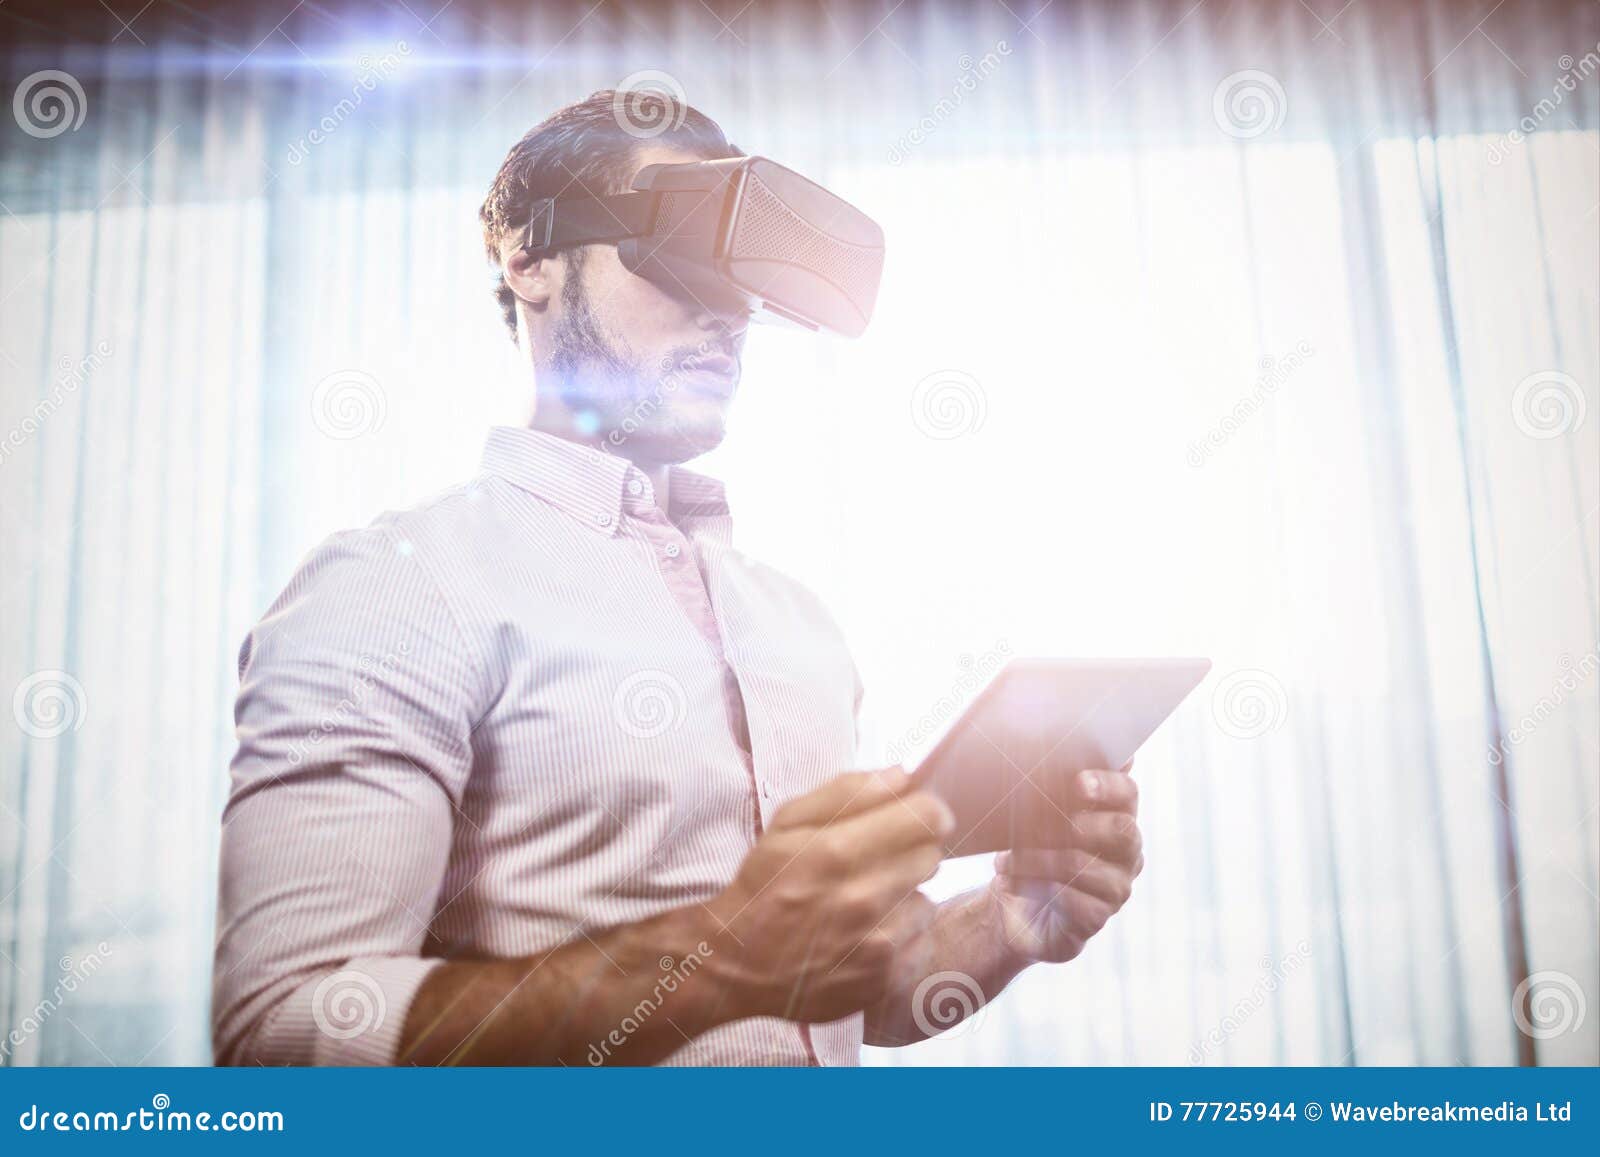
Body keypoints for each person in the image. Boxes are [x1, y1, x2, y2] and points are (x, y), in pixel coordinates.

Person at [211, 90, 1144, 1067]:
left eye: (739, 273)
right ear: (528, 257)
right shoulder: (399, 587)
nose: (724, 310)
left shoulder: (796, 622)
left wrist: (1002, 921)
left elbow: (842, 991)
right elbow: (283, 1029)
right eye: (679, 247)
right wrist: (720, 958)